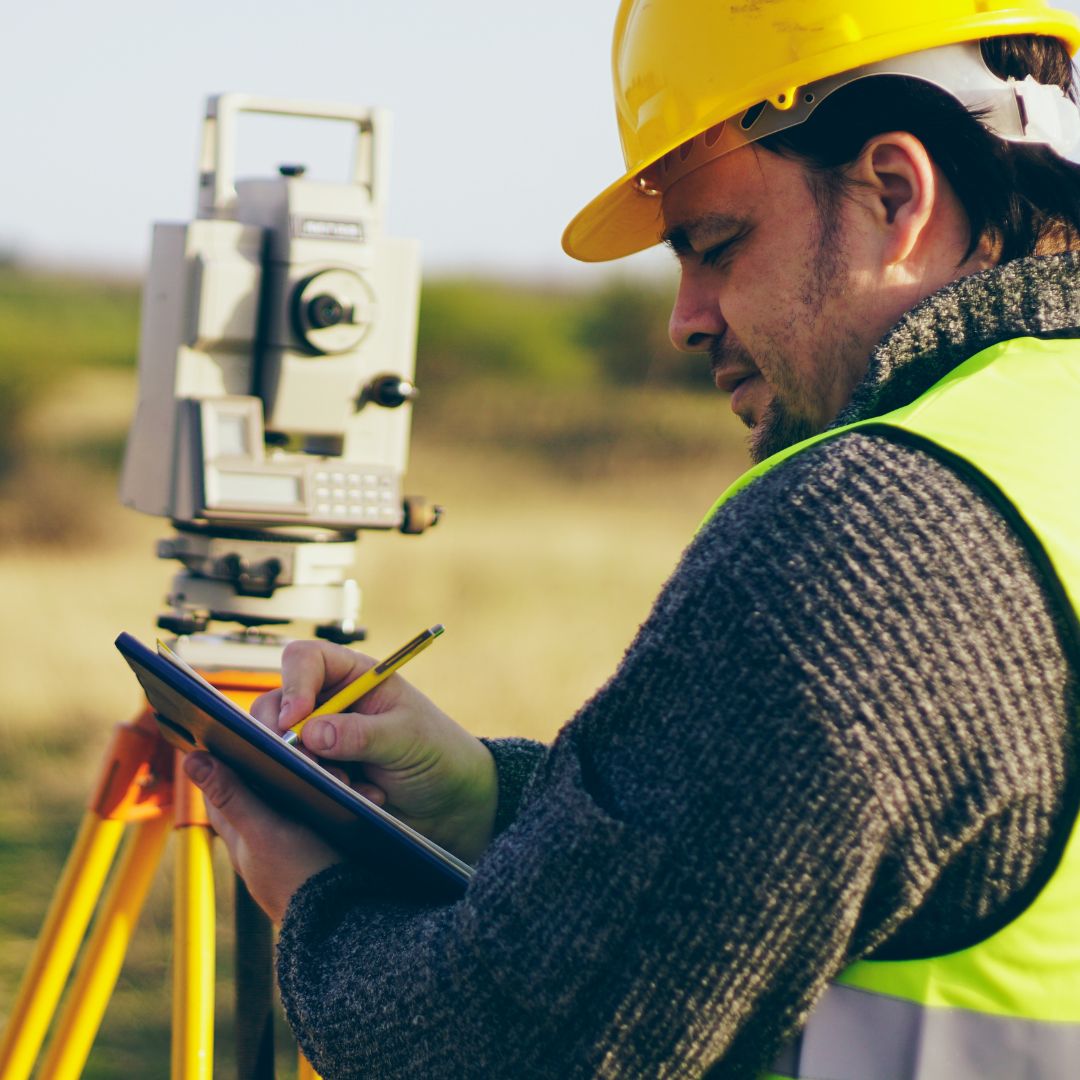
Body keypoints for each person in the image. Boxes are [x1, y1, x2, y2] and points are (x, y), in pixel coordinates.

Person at [183, 2, 1080, 1076]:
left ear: (894, 193)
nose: (685, 318)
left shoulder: (868, 539)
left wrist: (319, 898)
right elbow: (812, 862)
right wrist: (492, 803)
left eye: (717, 245)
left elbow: (522, 1049)